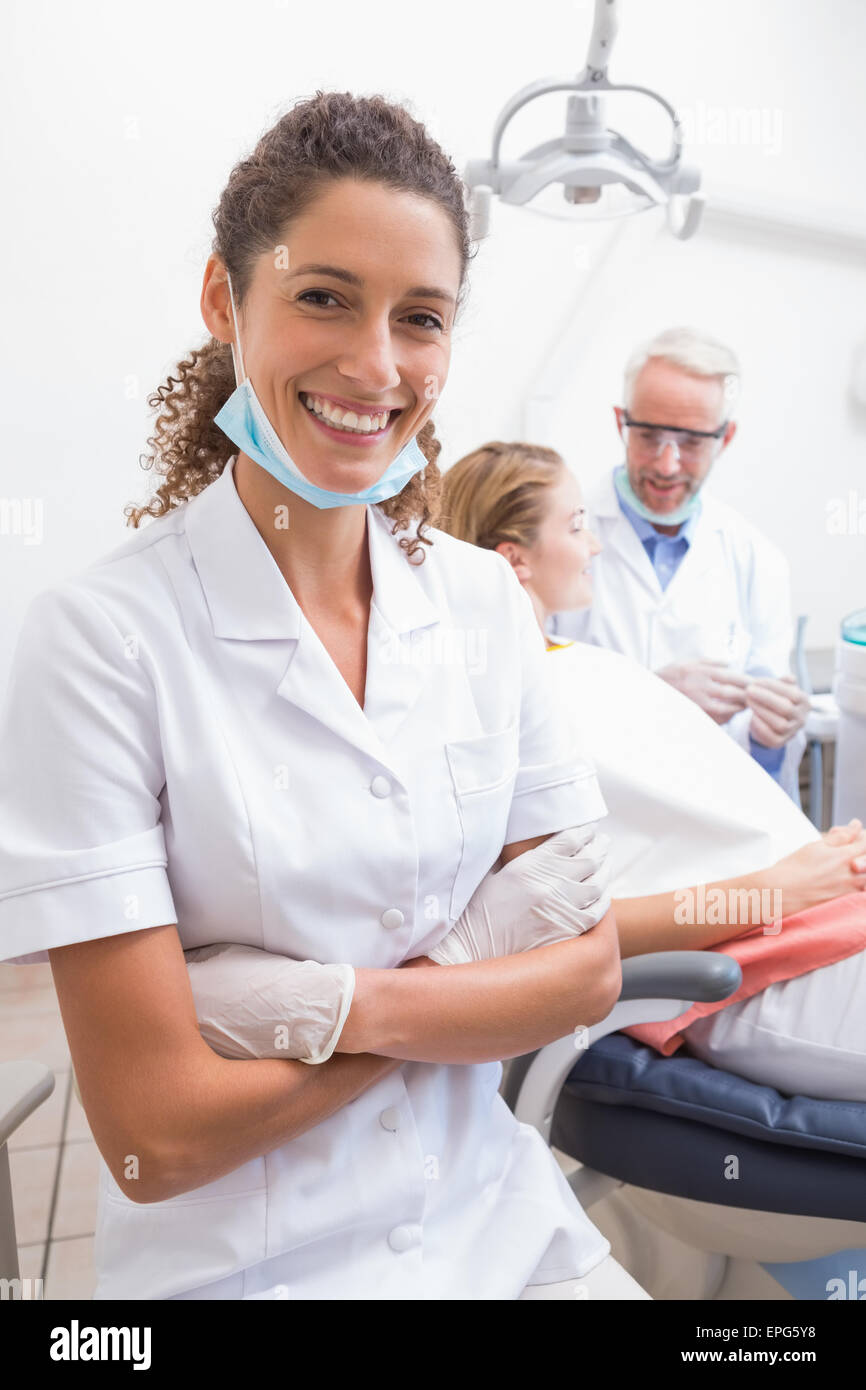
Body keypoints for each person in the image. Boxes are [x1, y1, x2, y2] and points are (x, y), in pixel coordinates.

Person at [0, 94, 650, 1301]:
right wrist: (455, 988)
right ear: (221, 302)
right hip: (252, 1269)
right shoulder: (100, 642)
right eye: (321, 297)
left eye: (421, 318)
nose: (375, 364)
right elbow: (157, 1136)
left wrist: (294, 1005)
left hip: (501, 1231)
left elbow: (586, 971)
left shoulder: (480, 606)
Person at [435, 441, 866, 1102]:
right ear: (513, 561)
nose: (596, 545)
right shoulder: (499, 713)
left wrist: (813, 860)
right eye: (577, 526)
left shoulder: (582, 665)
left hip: (826, 917)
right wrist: (775, 890)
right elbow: (555, 929)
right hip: (761, 971)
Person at [550, 327, 810, 801]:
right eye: (648, 436)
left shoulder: (758, 560)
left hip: (716, 828)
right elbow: (526, 710)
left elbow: (765, 763)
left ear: (724, 438)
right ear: (620, 423)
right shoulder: (553, 539)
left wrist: (772, 738)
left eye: (691, 442)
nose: (667, 465)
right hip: (597, 827)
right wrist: (648, 697)